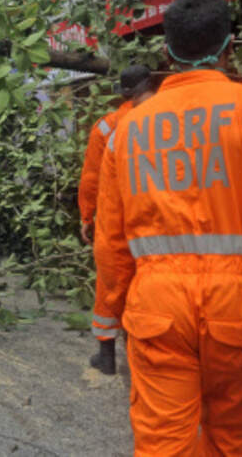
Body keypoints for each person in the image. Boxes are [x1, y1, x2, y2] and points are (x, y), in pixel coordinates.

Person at [94, 0, 242, 455]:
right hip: (240, 305)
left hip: (157, 307)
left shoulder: (127, 130)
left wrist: (108, 320)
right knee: (234, 438)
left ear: (166, 53)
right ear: (230, 47)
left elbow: (111, 244)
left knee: (164, 442)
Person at [82, 64, 156, 375]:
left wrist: (86, 216)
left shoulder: (107, 126)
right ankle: (145, 356)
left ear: (123, 92)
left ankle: (107, 355)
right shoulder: (171, 117)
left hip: (114, 220)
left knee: (111, 286)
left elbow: (91, 178)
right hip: (156, 219)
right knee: (150, 287)